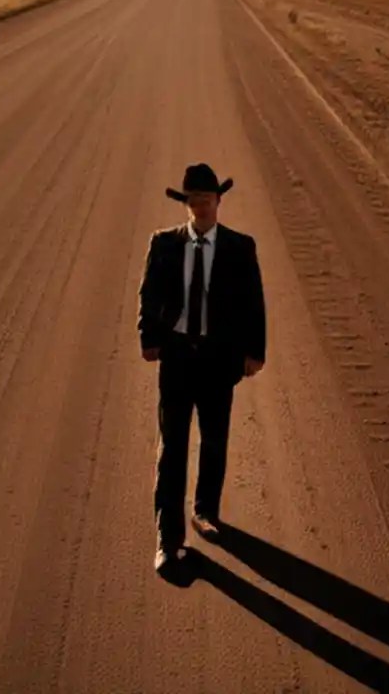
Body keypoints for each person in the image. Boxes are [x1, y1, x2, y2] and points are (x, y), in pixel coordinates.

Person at [137, 163, 266, 578]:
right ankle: (168, 539)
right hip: (177, 356)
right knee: (172, 448)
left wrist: (254, 352)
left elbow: (253, 302)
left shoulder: (240, 247)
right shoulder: (164, 244)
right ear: (186, 203)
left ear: (218, 201)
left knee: (213, 441)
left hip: (217, 358)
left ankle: (206, 511)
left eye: (206, 200)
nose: (200, 207)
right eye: (193, 200)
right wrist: (148, 337)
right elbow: (148, 294)